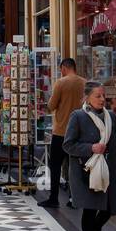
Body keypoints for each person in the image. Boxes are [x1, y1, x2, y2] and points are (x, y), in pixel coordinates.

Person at [63, 84, 116, 231]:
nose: (102, 99)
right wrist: (91, 148)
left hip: (109, 171)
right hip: (87, 172)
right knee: (90, 209)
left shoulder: (111, 117)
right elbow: (68, 145)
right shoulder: (78, 117)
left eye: (103, 96)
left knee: (109, 208)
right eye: (98, 96)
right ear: (87, 98)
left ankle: (95, 230)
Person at [41, 58, 86, 208]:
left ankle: (53, 198)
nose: (61, 72)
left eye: (61, 70)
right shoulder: (84, 83)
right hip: (79, 132)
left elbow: (51, 106)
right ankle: (75, 198)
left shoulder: (61, 83)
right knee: (75, 167)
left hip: (61, 131)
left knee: (55, 166)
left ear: (64, 68)